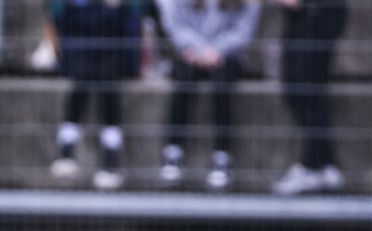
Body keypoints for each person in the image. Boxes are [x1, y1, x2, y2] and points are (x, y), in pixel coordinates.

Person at [157, 0, 261, 191]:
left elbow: (244, 30)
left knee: (222, 86)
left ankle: (221, 156)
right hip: (190, 53)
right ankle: (173, 152)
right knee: (183, 82)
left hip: (227, 55)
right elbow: (174, 22)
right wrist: (197, 49)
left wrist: (217, 50)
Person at [46, 0, 143, 190]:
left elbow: (127, 30)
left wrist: (114, 7)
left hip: (112, 57)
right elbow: (69, 24)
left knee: (108, 86)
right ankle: (66, 153)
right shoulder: (77, 7)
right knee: (82, 81)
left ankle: (110, 159)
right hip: (83, 55)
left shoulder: (121, 8)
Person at [269, 0, 348, 195]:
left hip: (318, 14)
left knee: (308, 89)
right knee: (297, 88)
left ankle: (310, 166)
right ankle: (326, 163)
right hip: (301, 17)